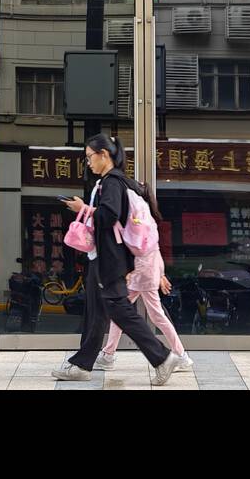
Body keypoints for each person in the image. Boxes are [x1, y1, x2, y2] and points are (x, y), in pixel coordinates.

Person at [52, 134, 183, 385]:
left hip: (108, 260)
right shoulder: (115, 181)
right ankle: (82, 364)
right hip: (101, 258)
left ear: (104, 155)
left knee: (119, 310)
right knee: (94, 311)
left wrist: (83, 210)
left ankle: (163, 358)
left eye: (90, 157)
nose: (88, 162)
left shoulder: (112, 182)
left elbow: (109, 217)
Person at [95, 177, 191, 372]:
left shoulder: (136, 216)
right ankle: (108, 354)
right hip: (146, 272)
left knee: (146, 315)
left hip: (140, 274)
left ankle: (181, 355)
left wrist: (130, 271)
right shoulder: (145, 215)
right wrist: (160, 274)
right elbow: (154, 248)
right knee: (134, 314)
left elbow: (138, 247)